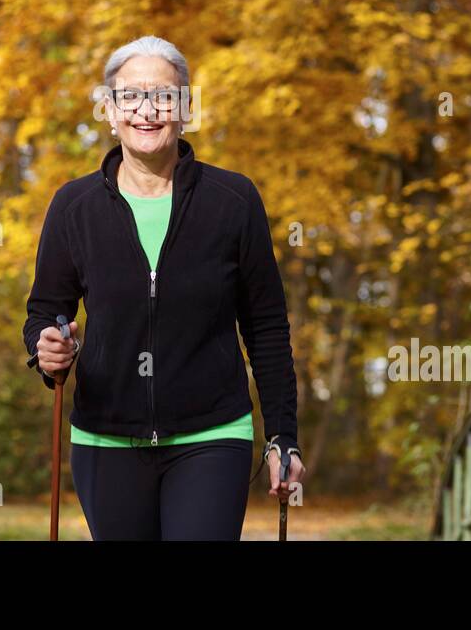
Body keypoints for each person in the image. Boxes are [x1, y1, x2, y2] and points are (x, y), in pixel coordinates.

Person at [22, 35, 303, 540]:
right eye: (131, 96)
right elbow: (45, 311)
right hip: (106, 439)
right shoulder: (74, 206)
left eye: (164, 96)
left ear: (186, 108)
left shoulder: (233, 200)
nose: (147, 110)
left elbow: (265, 327)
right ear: (109, 110)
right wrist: (46, 348)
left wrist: (283, 436)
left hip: (212, 434)